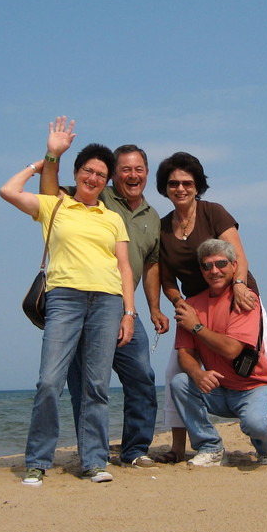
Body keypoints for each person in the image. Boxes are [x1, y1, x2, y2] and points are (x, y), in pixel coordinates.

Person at [155, 151, 267, 465]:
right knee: (178, 371)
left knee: (261, 366)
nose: (180, 188)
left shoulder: (214, 213)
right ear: (165, 187)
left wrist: (239, 286)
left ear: (198, 185)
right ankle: (180, 447)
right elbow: (167, 279)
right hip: (196, 307)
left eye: (187, 182)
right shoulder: (162, 228)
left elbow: (238, 256)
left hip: (238, 298)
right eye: (173, 183)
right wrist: (179, 305)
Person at [0, 125, 136, 487]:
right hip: (65, 298)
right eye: (88, 171)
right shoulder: (55, 205)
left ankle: (93, 461)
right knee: (49, 381)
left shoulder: (112, 217)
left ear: (107, 182)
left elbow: (124, 267)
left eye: (101, 175)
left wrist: (128, 312)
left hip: (107, 302)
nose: (93, 178)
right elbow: (7, 191)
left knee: (96, 386)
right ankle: (37, 461)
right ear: (76, 173)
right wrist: (44, 159)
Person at [38, 116, 170, 468]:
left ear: (146, 172)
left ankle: (135, 449)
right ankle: (91, 456)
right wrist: (52, 156)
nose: (132, 175)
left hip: (124, 309)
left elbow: (151, 263)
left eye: (138, 169)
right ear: (113, 175)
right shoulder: (97, 195)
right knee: (85, 385)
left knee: (142, 375)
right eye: (124, 169)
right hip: (83, 300)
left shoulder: (152, 216)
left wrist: (153, 308)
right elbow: (49, 193)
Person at [169, 239, 267, 466]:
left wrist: (196, 327)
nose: (214, 271)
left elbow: (232, 349)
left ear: (233, 266)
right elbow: (184, 353)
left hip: (253, 387)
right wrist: (197, 373)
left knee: (257, 424)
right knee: (180, 382)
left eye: (221, 263)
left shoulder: (245, 299)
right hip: (217, 390)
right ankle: (210, 447)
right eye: (207, 266)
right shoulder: (191, 305)